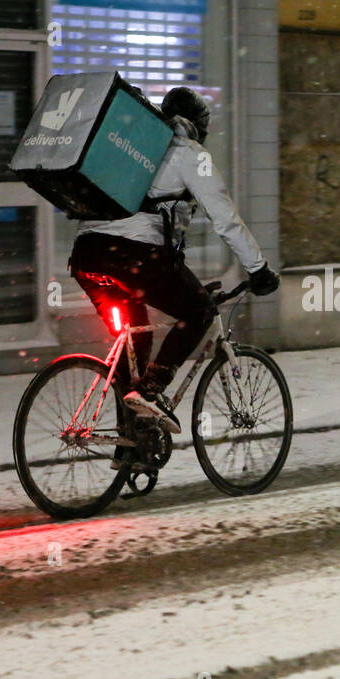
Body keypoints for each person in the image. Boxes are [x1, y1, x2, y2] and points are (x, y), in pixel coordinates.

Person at [68, 86, 279, 435]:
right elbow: (225, 219)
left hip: (89, 255)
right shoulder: (189, 154)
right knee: (198, 312)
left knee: (135, 341)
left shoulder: (135, 147)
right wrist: (258, 268)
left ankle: (131, 440)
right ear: (200, 125)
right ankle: (151, 392)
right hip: (134, 256)